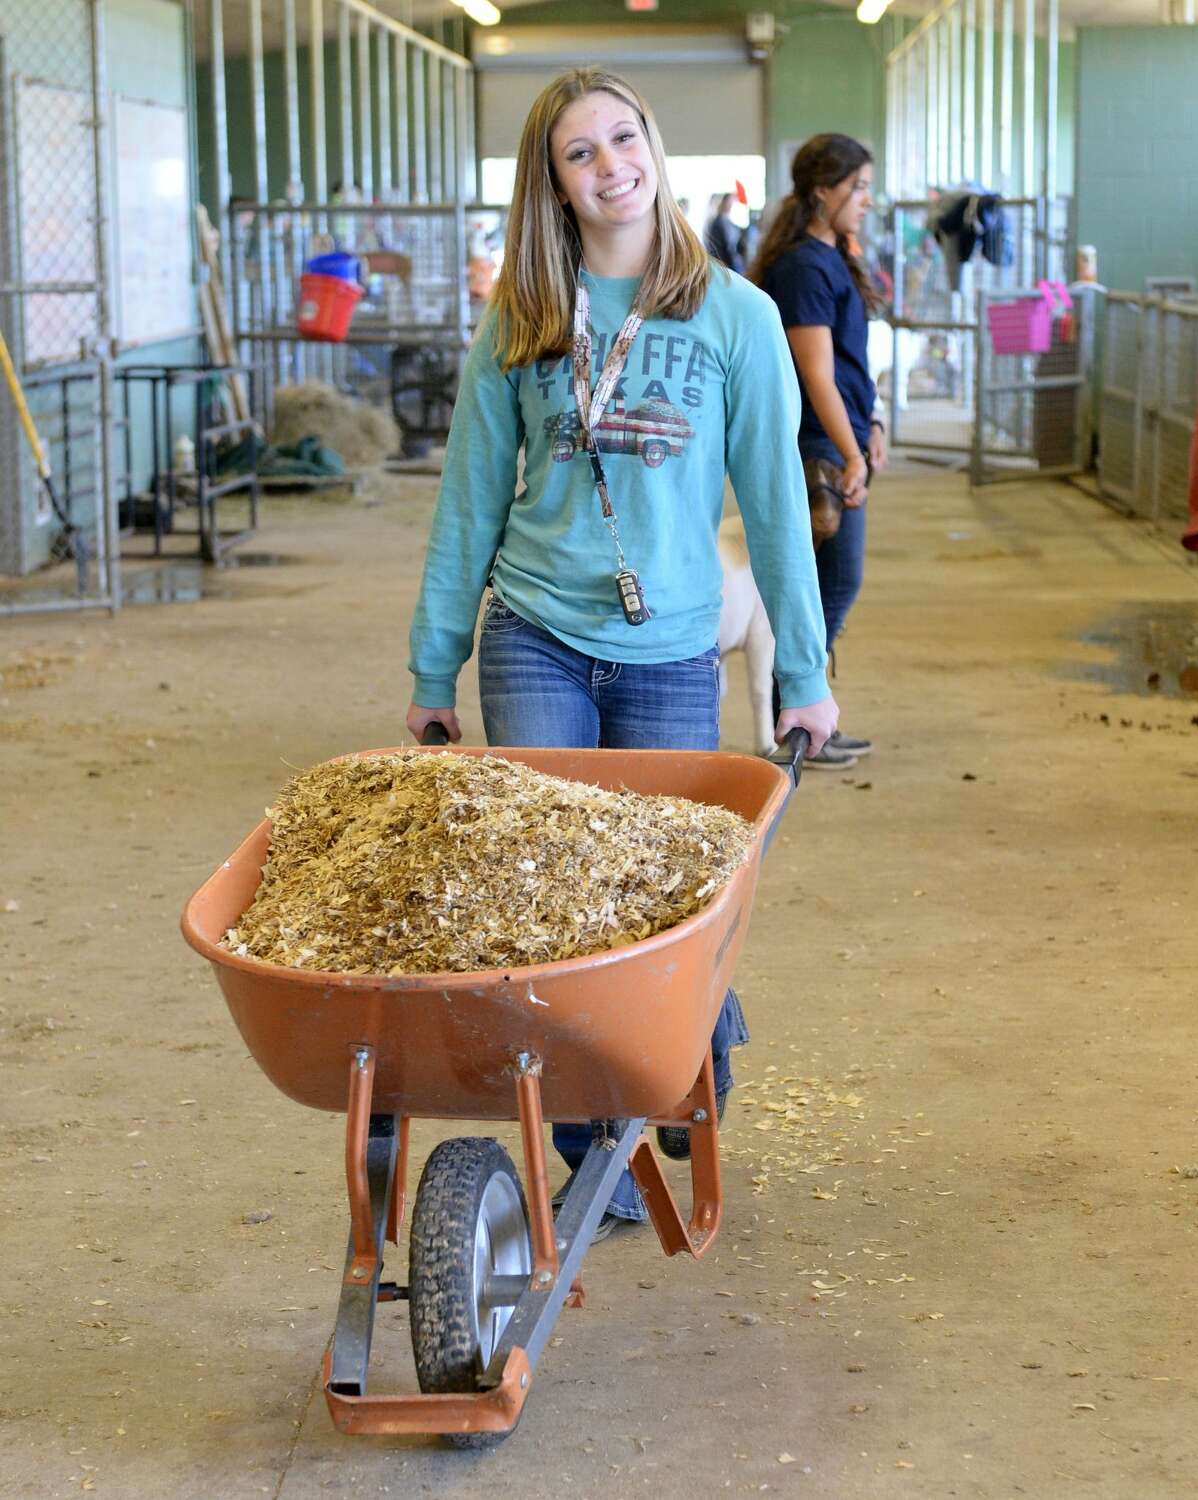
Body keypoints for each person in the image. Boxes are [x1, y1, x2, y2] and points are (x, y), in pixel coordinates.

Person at [405, 68, 837, 1239]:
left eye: (624, 138)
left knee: (657, 902)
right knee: (550, 893)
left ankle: (679, 1070)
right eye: (579, 153)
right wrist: (431, 670)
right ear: (550, 183)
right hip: (534, 633)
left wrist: (803, 670)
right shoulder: (525, 321)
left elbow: (779, 509)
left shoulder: (737, 317)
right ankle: (585, 1149)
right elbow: (468, 505)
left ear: (656, 147)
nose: (610, 166)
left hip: (670, 651)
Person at [748, 134, 888, 768]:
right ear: (823, 191)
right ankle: (797, 718)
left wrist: (873, 422)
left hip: (838, 438)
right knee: (827, 582)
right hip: (815, 447)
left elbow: (855, 364)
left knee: (833, 581)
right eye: (857, 187)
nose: (866, 199)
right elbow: (816, 373)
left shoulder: (832, 255)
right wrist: (849, 451)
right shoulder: (802, 267)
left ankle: (805, 715)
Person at [703, 192, 744, 274]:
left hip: (732, 263)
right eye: (728, 202)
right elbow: (717, 247)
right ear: (723, 202)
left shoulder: (730, 223)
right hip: (723, 265)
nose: (730, 205)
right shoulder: (716, 223)